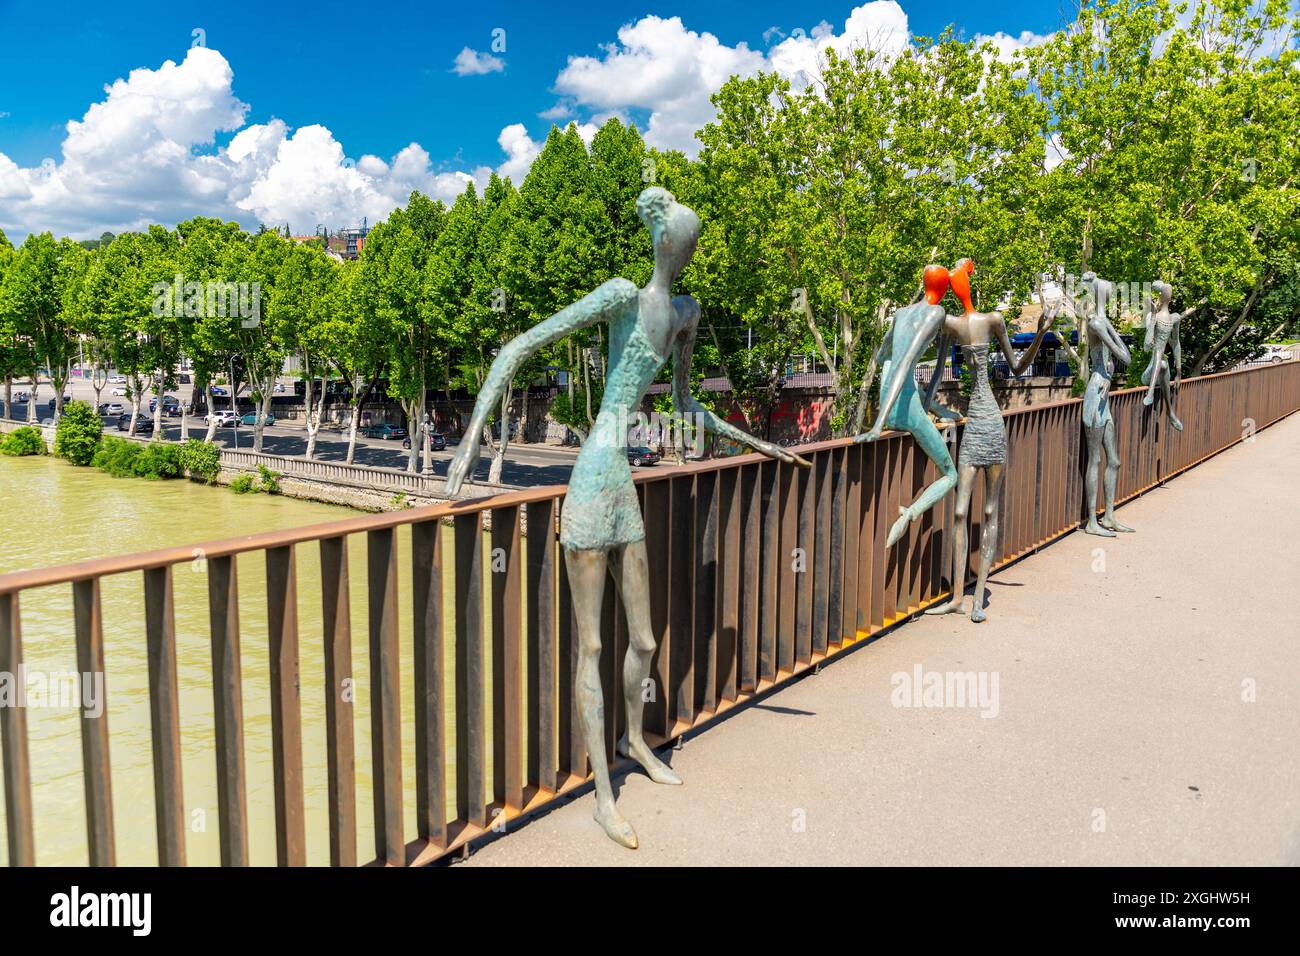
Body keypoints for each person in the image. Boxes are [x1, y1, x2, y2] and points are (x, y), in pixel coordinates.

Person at [445, 186, 807, 848]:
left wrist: (757, 442)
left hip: (625, 486)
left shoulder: (685, 313)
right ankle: (604, 796)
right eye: (684, 241)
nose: (688, 251)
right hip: (589, 484)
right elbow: (517, 347)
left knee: (643, 640)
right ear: (662, 242)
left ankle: (632, 739)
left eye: (692, 243)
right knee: (591, 644)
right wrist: (469, 446)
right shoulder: (619, 296)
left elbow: (687, 403)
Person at [926, 258, 1051, 623]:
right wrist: (928, 407)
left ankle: (978, 595)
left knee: (990, 509)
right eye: (955, 281)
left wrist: (1041, 333)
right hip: (974, 424)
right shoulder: (952, 325)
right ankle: (956, 598)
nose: (959, 285)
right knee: (961, 510)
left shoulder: (993, 320)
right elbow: (935, 371)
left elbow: (1015, 368)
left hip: (992, 423)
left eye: (959, 279)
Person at [856, 264, 961, 548]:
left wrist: (937, 409)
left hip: (889, 398)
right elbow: (908, 364)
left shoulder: (901, 313)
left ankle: (926, 412)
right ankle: (909, 514)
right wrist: (879, 424)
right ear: (943, 290)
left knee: (903, 369)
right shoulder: (937, 313)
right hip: (903, 412)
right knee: (951, 474)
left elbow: (884, 358)